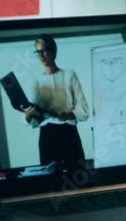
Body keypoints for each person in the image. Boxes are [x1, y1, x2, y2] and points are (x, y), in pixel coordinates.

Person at [24, 35, 89, 171]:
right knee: (51, 182)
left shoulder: (69, 75)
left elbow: (83, 111)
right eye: (38, 52)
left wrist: (65, 115)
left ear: (54, 52)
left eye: (45, 51)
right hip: (47, 136)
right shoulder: (35, 81)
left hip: (68, 134)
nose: (41, 56)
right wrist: (28, 116)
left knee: (76, 175)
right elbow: (34, 120)